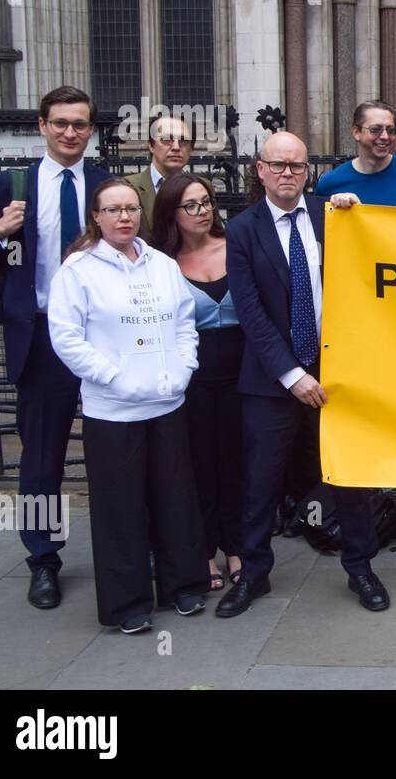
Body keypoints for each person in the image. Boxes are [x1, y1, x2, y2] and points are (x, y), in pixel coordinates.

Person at [217, 132, 390, 617]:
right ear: (261, 170)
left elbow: (366, 273)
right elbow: (250, 313)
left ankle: (361, 567)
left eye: (297, 165)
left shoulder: (331, 216)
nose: (289, 172)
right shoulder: (243, 230)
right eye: (279, 165)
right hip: (273, 380)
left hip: (335, 374)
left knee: (348, 474)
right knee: (261, 480)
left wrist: (359, 214)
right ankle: (253, 574)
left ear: (308, 170)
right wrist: (292, 375)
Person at [0, 85, 111, 610]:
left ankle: (125, 553)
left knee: (117, 450)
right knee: (42, 456)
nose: (70, 132)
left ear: (91, 130)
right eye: (61, 123)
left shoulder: (104, 185)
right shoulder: (11, 184)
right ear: (42, 126)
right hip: (44, 335)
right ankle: (42, 560)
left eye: (80, 124)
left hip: (105, 337)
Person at [46, 178, 208, 633]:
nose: (124, 217)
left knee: (176, 499)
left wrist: (184, 368)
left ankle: (184, 584)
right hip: (113, 411)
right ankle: (127, 604)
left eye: (132, 209)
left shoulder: (160, 263)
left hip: (168, 401)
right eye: (113, 210)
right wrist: (116, 377)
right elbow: (67, 339)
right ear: (95, 217)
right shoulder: (78, 271)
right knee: (121, 509)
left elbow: (183, 323)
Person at [153, 173, 245, 590]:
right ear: (172, 213)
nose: (203, 210)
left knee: (237, 463)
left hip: (242, 372)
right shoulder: (159, 263)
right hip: (192, 377)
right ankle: (205, 551)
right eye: (191, 205)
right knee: (198, 465)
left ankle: (239, 547)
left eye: (206, 201)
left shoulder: (237, 247)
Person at [314, 100, 396, 209]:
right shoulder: (330, 183)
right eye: (375, 130)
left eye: (390, 130)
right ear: (356, 132)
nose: (385, 136)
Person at [125, 114, 193, 242]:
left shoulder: (202, 188)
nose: (176, 147)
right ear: (151, 145)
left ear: (191, 148)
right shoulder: (128, 187)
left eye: (183, 141)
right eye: (167, 139)